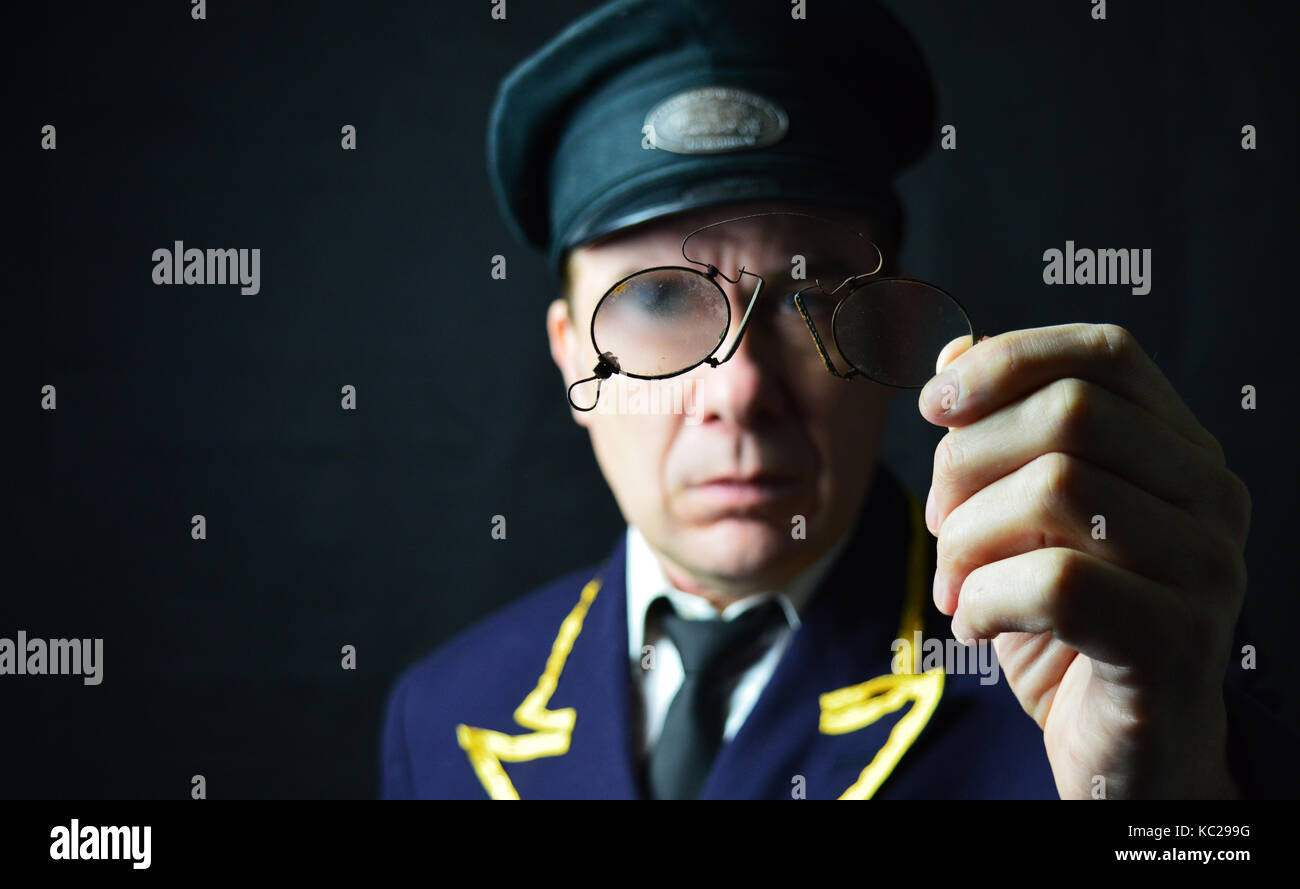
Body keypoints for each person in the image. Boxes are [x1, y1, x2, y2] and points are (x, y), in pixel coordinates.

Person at [380, 0, 1297, 799]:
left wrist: (1165, 797)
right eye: (659, 299)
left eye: (802, 296)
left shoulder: (1103, 656)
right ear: (571, 353)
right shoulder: (445, 713)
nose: (738, 391)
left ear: (891, 331)